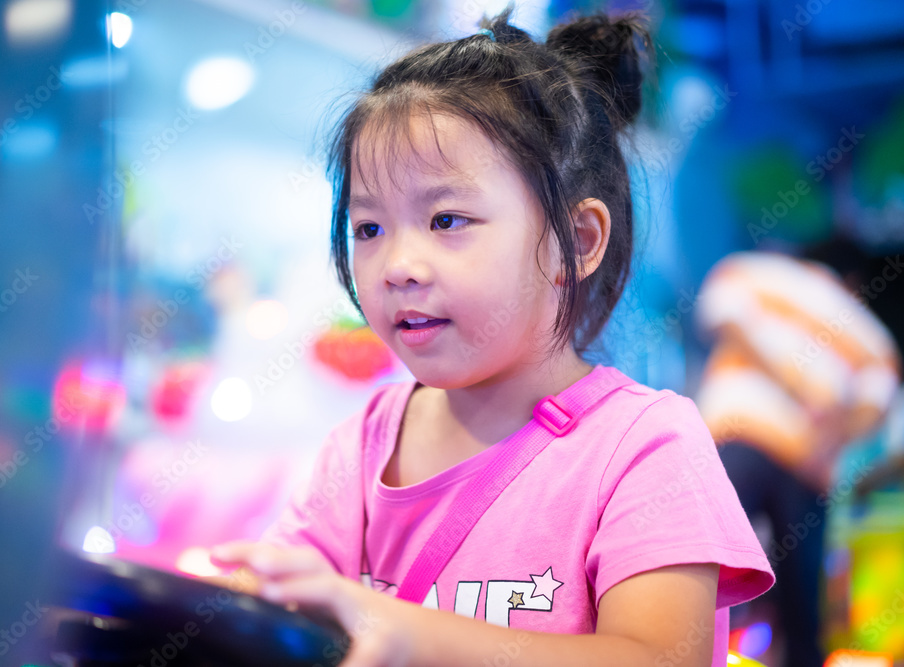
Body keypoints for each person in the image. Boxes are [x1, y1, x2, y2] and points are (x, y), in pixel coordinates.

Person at [209, 6, 774, 666]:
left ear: (578, 242)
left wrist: (406, 634)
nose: (398, 267)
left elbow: (659, 657)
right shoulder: (364, 445)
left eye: (447, 219)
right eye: (369, 229)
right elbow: (284, 604)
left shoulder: (645, 445)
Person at [692, 245, 901, 667]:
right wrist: (827, 416)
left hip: (737, 436)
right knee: (803, 600)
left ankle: (692, 649)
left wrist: (782, 371)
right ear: (854, 284)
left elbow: (719, 311)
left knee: (705, 559)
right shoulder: (866, 328)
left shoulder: (752, 270)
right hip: (805, 462)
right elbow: (877, 398)